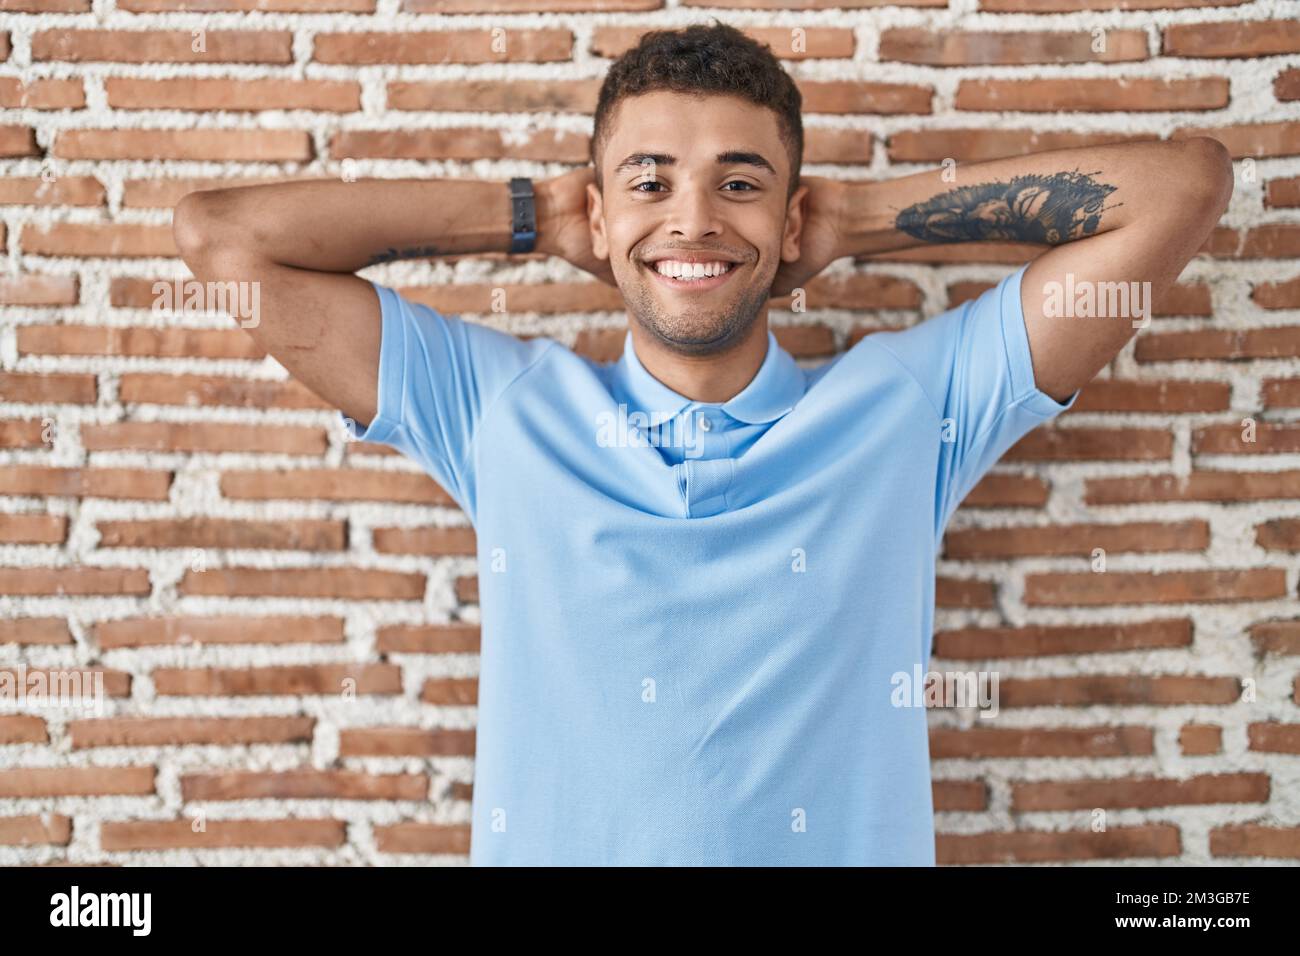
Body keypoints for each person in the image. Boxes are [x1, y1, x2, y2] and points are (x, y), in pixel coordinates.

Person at [173, 21, 1234, 865]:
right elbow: (224, 239)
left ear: (788, 216)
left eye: (737, 182)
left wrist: (856, 219)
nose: (692, 221)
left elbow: (1180, 189)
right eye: (649, 183)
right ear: (598, 213)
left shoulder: (906, 406)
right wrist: (539, 215)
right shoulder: (499, 407)